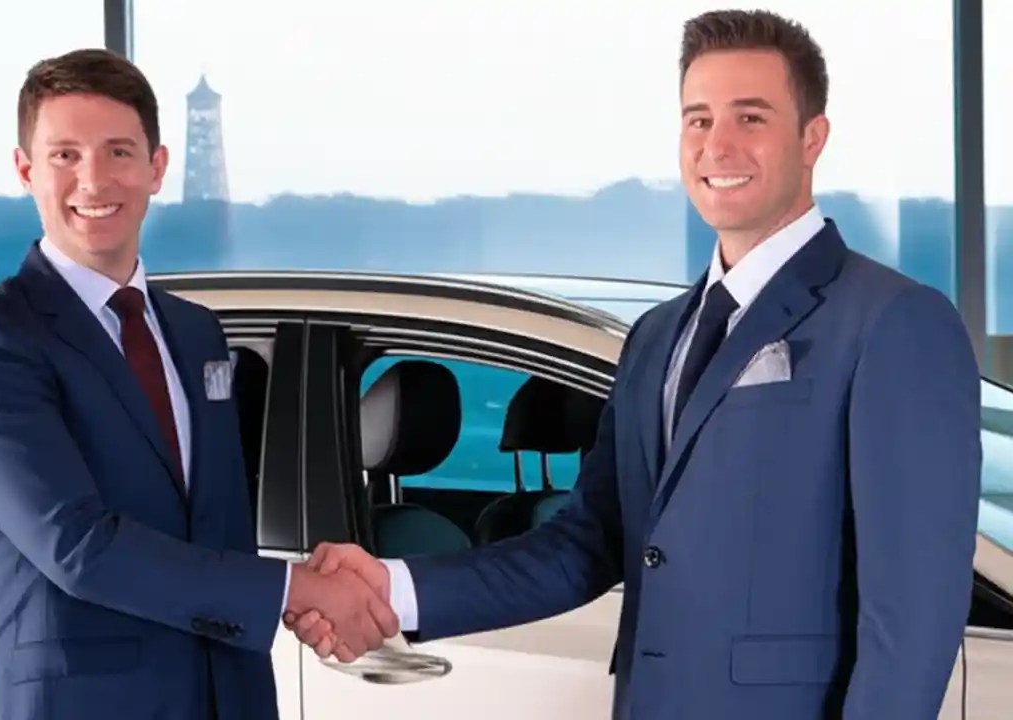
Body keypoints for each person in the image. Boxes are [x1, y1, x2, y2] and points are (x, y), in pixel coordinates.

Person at [291, 10, 981, 719]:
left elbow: (913, 618)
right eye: (698, 119)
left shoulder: (893, 322)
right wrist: (395, 588)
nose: (717, 145)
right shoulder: (656, 336)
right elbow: (586, 545)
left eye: (750, 118)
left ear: (813, 137)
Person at [0, 48, 397, 720]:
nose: (94, 180)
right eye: (65, 155)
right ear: (26, 170)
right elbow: (78, 547)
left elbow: (218, 531)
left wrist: (293, 597)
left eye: (118, 152)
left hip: (225, 695)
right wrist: (295, 589)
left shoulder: (196, 333)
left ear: (157, 168)